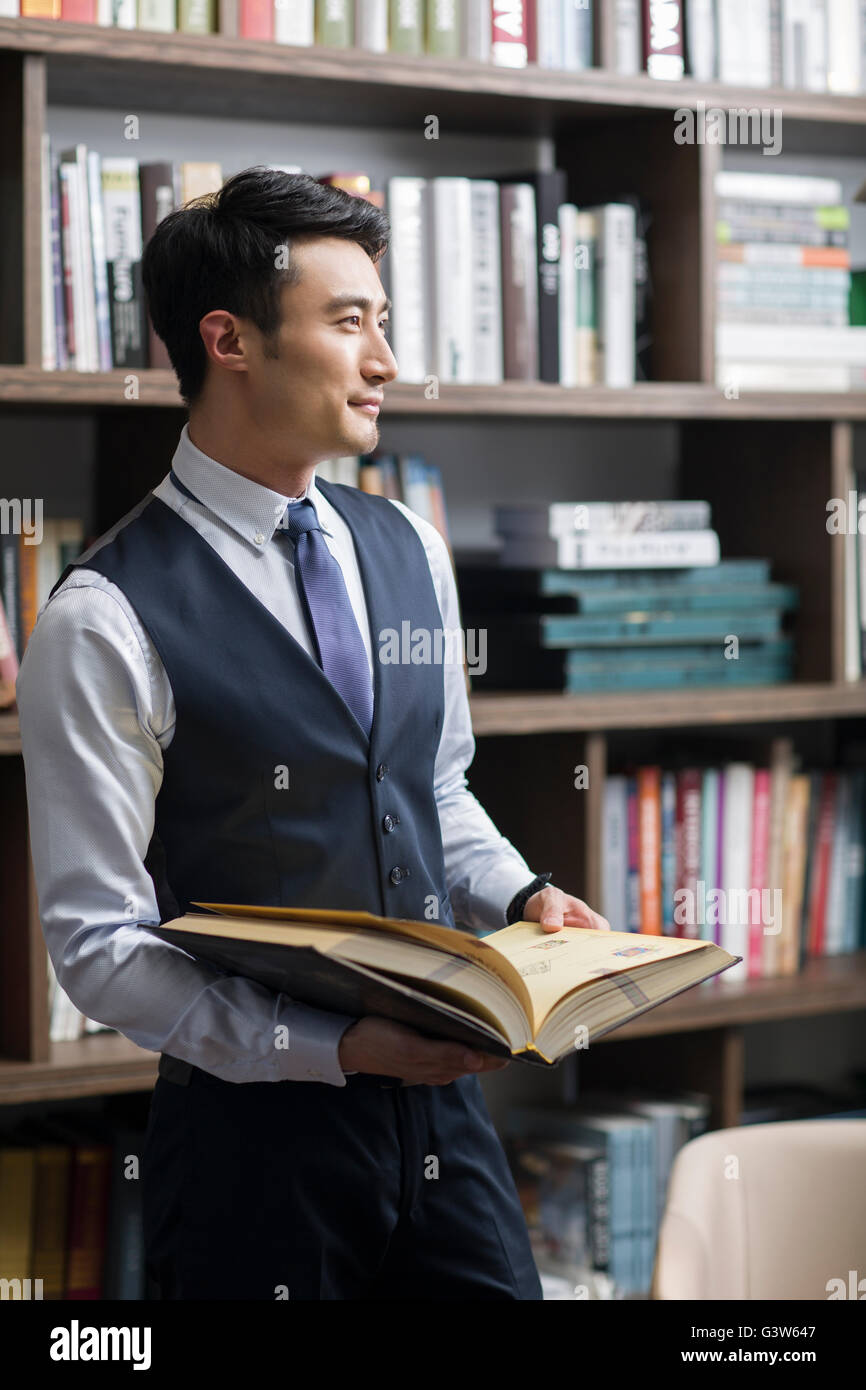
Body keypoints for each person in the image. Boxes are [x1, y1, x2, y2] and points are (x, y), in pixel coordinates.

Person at [17, 168, 610, 1301]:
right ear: (228, 339)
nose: (384, 361)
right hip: (253, 1157)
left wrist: (523, 895)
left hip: (447, 1119)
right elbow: (97, 947)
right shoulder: (104, 618)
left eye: (381, 323)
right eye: (350, 324)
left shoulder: (407, 548)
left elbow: (431, 794)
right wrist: (331, 1048)